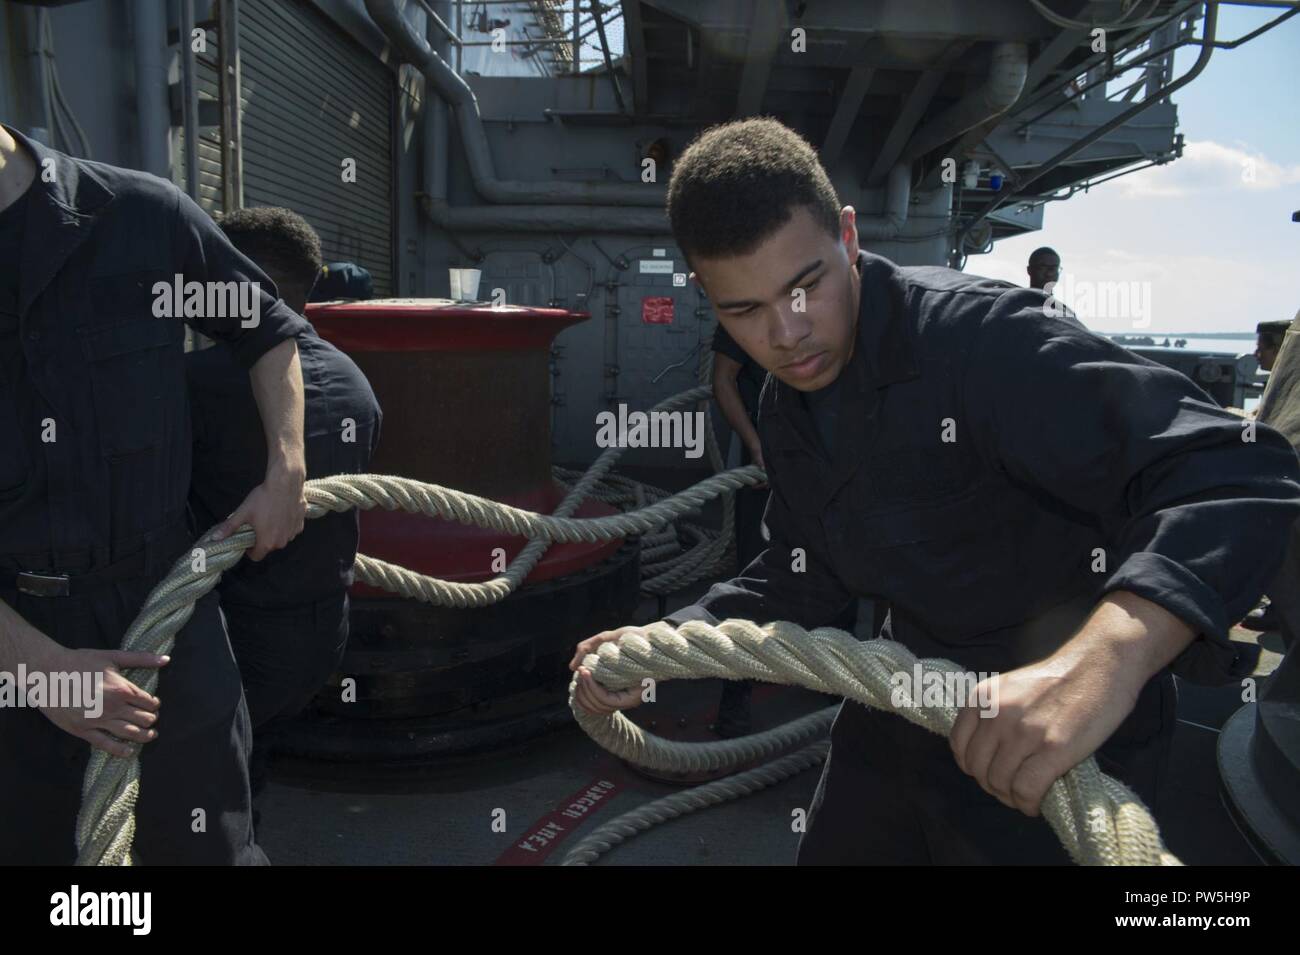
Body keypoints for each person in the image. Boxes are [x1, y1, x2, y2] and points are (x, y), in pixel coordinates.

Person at [569, 117, 1300, 864]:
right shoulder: (786, 406)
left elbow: (1240, 468)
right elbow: (803, 575)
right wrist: (669, 640)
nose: (785, 335)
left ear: (848, 237)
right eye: (743, 310)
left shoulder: (987, 341)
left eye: (805, 285)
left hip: (1058, 725)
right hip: (903, 706)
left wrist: (1101, 665)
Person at [0, 124, 309, 864]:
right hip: (12, 632)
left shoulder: (139, 216)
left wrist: (287, 468)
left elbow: (263, 330)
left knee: (205, 846)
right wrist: (33, 666)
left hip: (165, 613)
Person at [186, 208, 382, 806]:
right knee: (249, 767)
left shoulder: (196, 385)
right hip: (322, 636)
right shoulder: (356, 380)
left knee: (200, 797)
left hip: (234, 642)